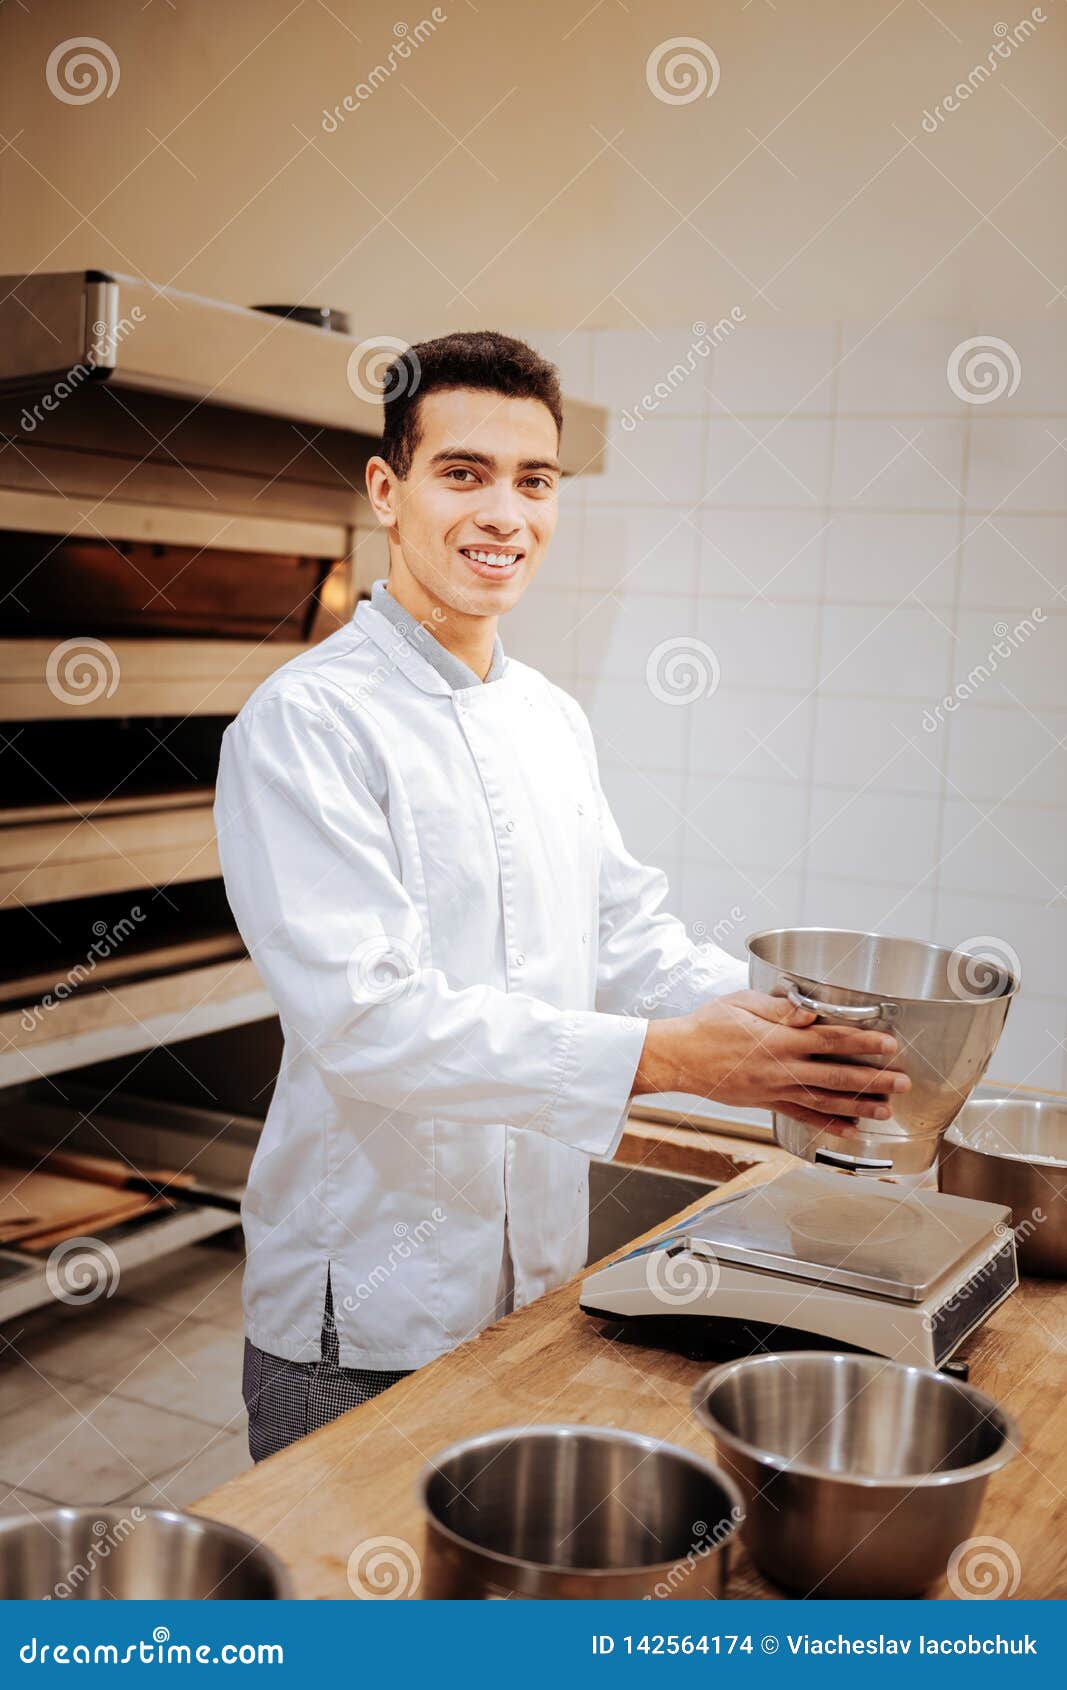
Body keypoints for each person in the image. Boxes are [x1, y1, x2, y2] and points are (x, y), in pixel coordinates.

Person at [214, 331, 908, 1460]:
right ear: (387, 491)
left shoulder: (545, 716)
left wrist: (801, 1028)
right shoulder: (306, 723)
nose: (505, 514)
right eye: (463, 473)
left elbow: (624, 934)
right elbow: (367, 1021)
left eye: (534, 481)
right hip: (364, 1307)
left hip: (533, 1277)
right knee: (349, 1577)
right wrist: (671, 1059)